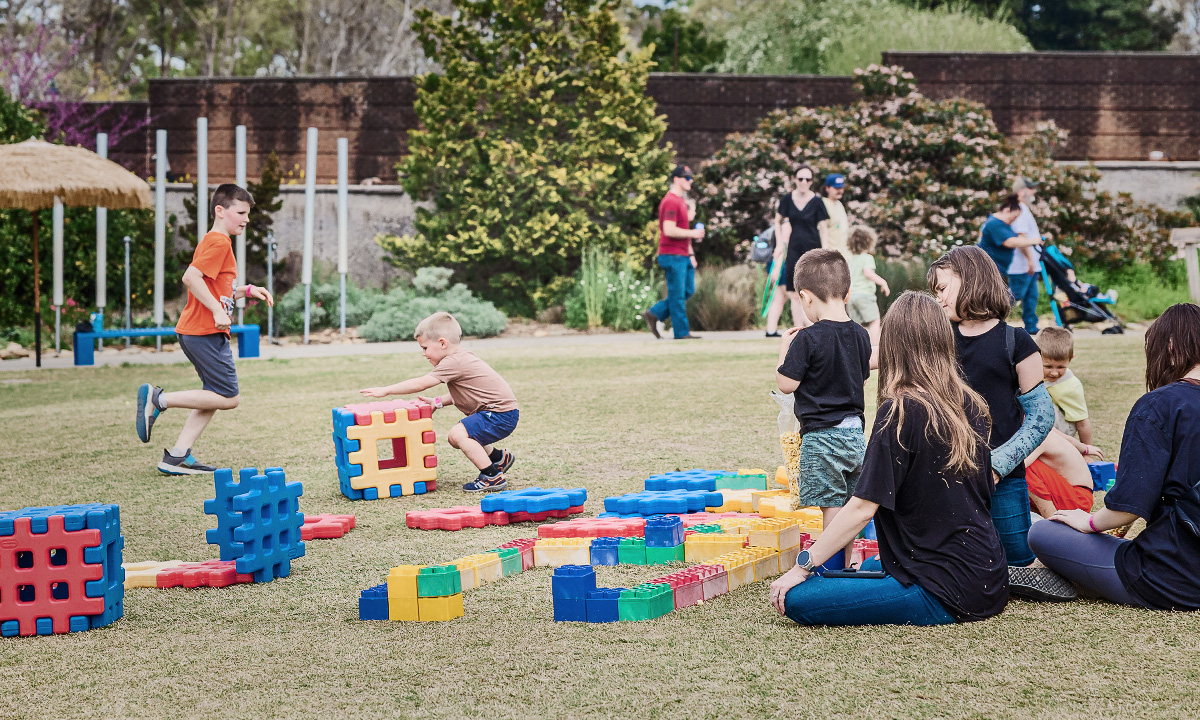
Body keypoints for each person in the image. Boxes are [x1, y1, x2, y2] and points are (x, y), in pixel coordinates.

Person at [768, 291, 1008, 626]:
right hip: (988, 578)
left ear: (893, 345)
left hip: (941, 592)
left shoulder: (900, 410)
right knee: (868, 567)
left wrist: (802, 565)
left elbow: (864, 506)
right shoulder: (971, 404)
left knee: (797, 599)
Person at [927, 246, 1075, 602]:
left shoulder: (1018, 342)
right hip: (949, 476)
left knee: (1018, 565)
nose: (938, 298)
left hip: (1004, 480)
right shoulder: (939, 339)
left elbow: (1041, 418)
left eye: (943, 288)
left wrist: (999, 464)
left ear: (972, 280)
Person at [1029, 303, 1200, 610]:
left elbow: (1128, 507)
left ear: (1171, 347)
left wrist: (1091, 522)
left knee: (1042, 532)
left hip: (1172, 577)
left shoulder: (1159, 406)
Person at [135, 184, 274, 475]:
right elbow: (191, 277)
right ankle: (158, 399)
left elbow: (217, 287)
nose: (246, 219)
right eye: (241, 212)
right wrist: (214, 311)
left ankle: (176, 456)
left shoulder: (218, 241)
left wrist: (247, 290)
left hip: (201, 332)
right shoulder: (219, 242)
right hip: (204, 331)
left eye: (248, 213)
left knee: (214, 395)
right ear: (220, 211)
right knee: (229, 398)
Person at [775, 249, 871, 570]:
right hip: (856, 435)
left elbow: (786, 384)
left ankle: (831, 569)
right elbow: (861, 376)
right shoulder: (861, 334)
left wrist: (782, 354)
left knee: (830, 504)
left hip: (822, 437)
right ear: (847, 293)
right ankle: (844, 562)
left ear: (805, 297)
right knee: (847, 504)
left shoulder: (807, 339)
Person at [359, 312, 519, 493]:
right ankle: (498, 458)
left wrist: (386, 390)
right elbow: (469, 392)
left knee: (458, 435)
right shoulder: (461, 357)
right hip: (501, 412)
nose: (423, 354)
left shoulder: (453, 362)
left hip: (498, 414)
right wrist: (438, 402)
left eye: (425, 348)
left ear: (442, 343)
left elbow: (420, 384)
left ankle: (491, 476)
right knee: (463, 435)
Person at [765, 164, 830, 337]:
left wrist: (824, 252)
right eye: (800, 178)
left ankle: (813, 329)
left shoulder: (817, 202)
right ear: (794, 179)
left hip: (813, 250)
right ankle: (798, 331)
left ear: (811, 181)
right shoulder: (787, 200)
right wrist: (779, 244)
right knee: (794, 293)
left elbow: (823, 228)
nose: (803, 182)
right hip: (794, 250)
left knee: (813, 291)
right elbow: (777, 222)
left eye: (807, 179)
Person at [643, 165, 703, 340]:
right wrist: (693, 233)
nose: (690, 180)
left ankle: (654, 313)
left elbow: (685, 227)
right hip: (672, 254)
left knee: (688, 290)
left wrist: (691, 254)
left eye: (691, 177)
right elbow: (669, 230)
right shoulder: (670, 201)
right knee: (677, 295)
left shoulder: (681, 202)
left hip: (683, 254)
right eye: (687, 178)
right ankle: (681, 333)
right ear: (676, 179)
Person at [1037, 326, 1095, 445]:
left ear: (1070, 359)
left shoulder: (1071, 386)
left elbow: (1082, 421)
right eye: (1048, 366)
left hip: (1062, 432)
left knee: (1045, 404)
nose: (1054, 372)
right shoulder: (1030, 372)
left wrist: (1088, 450)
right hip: (1037, 427)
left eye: (1061, 367)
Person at [1025, 429, 1097, 517]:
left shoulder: (1038, 434)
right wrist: (1085, 449)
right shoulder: (1043, 425)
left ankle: (1051, 520)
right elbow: (1068, 438)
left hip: (1077, 500)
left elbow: (1015, 466)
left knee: (1021, 468)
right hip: (1076, 496)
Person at [977, 194, 1042, 283]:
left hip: (998, 271)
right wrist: (1033, 241)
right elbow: (1009, 242)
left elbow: (1018, 242)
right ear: (1007, 210)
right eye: (1014, 217)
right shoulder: (994, 224)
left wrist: (1029, 259)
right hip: (988, 271)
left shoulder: (1004, 224)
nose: (1014, 220)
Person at [845, 225, 891, 349]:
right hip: (865, 295)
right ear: (869, 242)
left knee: (856, 323)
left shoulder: (851, 260)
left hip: (852, 296)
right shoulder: (867, 258)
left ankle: (857, 346)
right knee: (875, 320)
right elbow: (868, 273)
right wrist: (883, 282)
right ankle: (874, 346)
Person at [1007, 177, 1042, 334]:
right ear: (1021, 191)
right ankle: (990, 320)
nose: (1034, 191)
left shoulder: (1024, 209)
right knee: (1014, 297)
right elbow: (1022, 239)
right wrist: (1030, 261)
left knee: (1031, 297)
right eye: (1031, 188)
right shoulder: (1019, 210)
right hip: (1021, 266)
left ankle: (1031, 327)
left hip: (1030, 264)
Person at [821, 173, 849, 256]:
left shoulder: (839, 204)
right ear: (827, 188)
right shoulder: (823, 204)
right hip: (830, 256)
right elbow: (822, 231)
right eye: (836, 188)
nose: (840, 190)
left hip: (843, 254)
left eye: (841, 188)